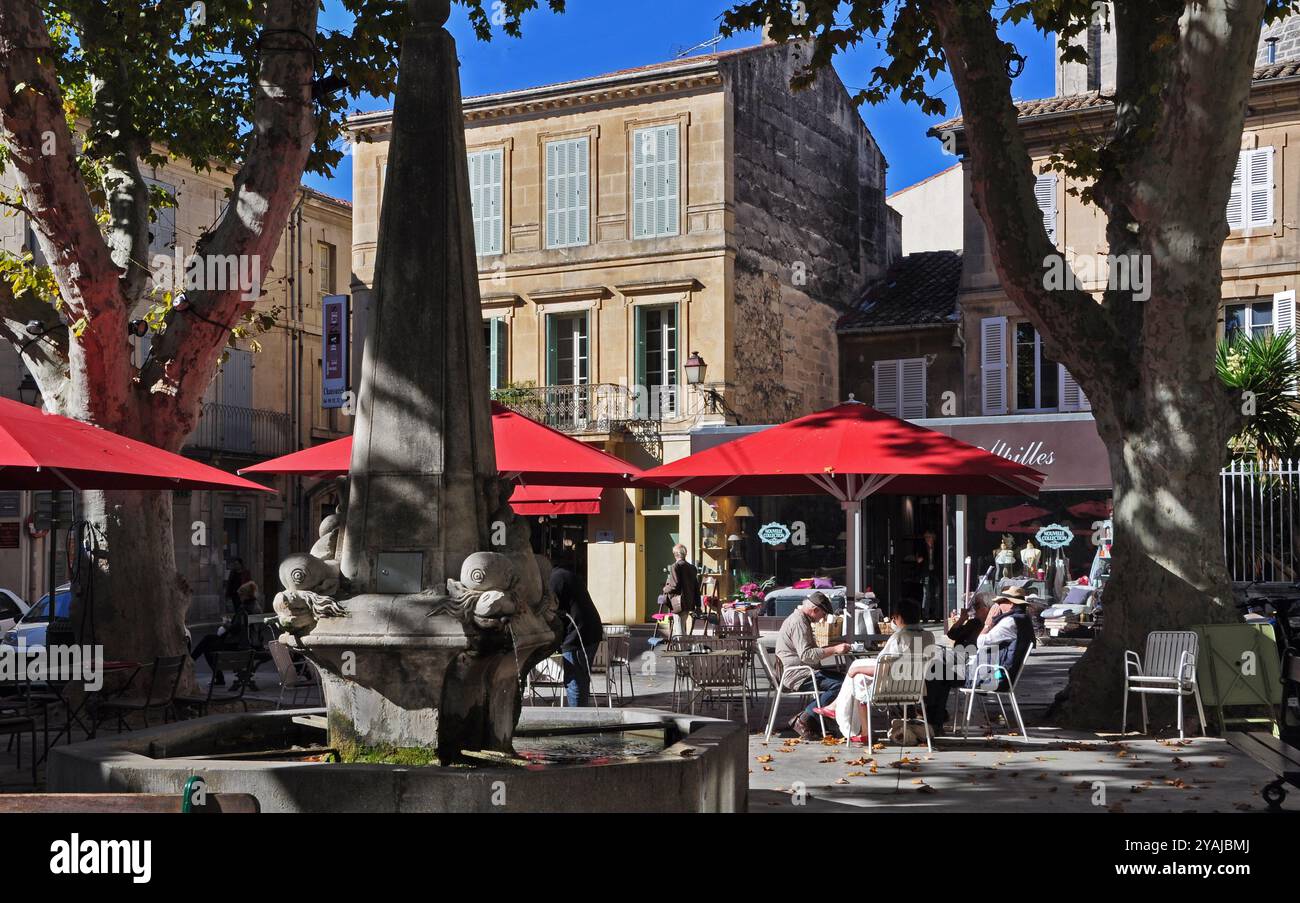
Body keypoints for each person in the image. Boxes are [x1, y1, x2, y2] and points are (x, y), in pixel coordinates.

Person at [816, 599, 935, 743]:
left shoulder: (899, 637)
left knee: (857, 676)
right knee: (858, 667)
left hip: (888, 689)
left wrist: (856, 670)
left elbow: (884, 667)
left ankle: (858, 726)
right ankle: (836, 706)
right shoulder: (929, 636)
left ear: (898, 617)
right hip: (914, 687)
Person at [775, 592, 850, 739]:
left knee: (847, 680)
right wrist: (834, 649)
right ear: (814, 610)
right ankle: (805, 717)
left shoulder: (801, 619)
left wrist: (831, 647)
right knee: (842, 685)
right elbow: (807, 655)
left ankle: (817, 720)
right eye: (823, 614)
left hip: (802, 671)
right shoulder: (799, 622)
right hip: (798, 674)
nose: (822, 619)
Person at [550, 547, 603, 707]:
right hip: (589, 631)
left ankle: (577, 720)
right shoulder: (567, 576)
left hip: (578, 634)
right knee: (580, 677)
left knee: (574, 679)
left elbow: (550, 608)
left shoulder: (556, 579)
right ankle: (581, 716)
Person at [191, 580, 257, 686]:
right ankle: (192, 660)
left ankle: (191, 660)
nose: (239, 598)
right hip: (247, 642)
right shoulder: (255, 606)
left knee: (207, 644)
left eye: (241, 596)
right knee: (208, 641)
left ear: (246, 596)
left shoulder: (244, 609)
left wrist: (226, 624)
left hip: (238, 644)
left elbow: (235, 629)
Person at [974, 586, 1037, 692]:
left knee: (942, 672)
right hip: (1001, 674)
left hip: (993, 678)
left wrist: (988, 624)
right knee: (944, 668)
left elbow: (981, 642)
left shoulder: (1009, 622)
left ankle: (938, 708)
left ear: (1011, 603)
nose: (997, 605)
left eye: (1000, 602)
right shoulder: (1024, 619)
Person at [660, 544, 701, 636]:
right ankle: (683, 647)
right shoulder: (692, 567)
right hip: (689, 602)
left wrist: (665, 588)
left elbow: (674, 585)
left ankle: (682, 649)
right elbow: (696, 588)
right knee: (681, 627)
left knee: (679, 630)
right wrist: (698, 605)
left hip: (678, 603)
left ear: (675, 554)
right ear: (685, 554)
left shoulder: (675, 566)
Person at [911, 529, 940, 620]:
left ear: (933, 538)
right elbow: (918, 559)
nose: (927, 539)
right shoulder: (922, 547)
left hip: (936, 573)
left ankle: (937, 615)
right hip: (926, 572)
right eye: (926, 537)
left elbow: (941, 559)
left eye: (929, 537)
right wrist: (919, 560)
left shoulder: (938, 547)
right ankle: (925, 616)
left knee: (937, 594)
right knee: (926, 593)